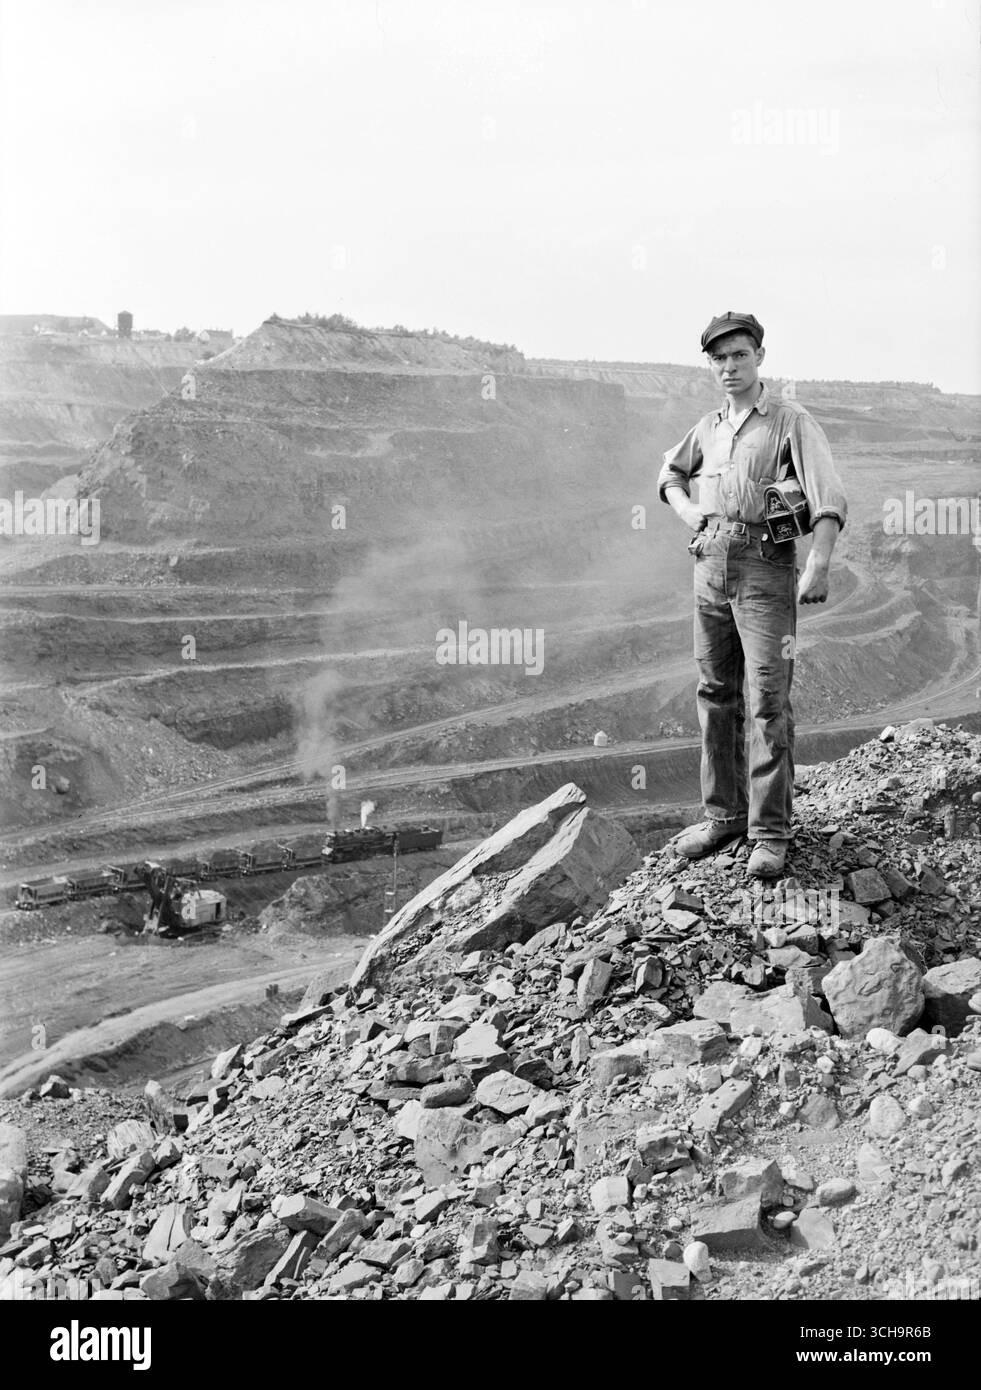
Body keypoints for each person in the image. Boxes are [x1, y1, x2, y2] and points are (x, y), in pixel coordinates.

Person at [658, 311, 848, 878]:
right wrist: (689, 510)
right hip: (710, 565)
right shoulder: (710, 426)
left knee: (768, 699)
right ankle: (724, 816)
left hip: (766, 569)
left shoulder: (790, 421)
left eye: (739, 355)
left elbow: (828, 495)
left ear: (759, 357)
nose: (729, 367)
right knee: (716, 693)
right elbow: (670, 473)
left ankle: (770, 832)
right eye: (719, 359)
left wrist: (820, 562)